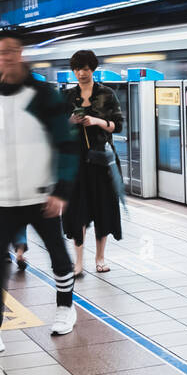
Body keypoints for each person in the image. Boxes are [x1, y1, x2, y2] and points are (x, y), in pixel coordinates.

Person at [0, 27, 78, 358]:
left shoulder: (44, 95)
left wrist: (60, 190)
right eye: (0, 52)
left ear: (21, 54)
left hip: (40, 193)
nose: (5, 57)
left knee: (57, 253)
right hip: (1, 198)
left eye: (11, 51)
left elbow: (66, 144)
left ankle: (65, 307)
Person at [62, 49, 123, 274]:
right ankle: (78, 262)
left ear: (93, 69)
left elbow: (118, 125)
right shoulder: (67, 96)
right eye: (77, 69)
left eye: (85, 69)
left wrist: (97, 121)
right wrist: (69, 121)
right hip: (75, 163)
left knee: (102, 209)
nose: (81, 73)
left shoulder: (107, 94)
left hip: (100, 161)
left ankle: (100, 257)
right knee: (77, 211)